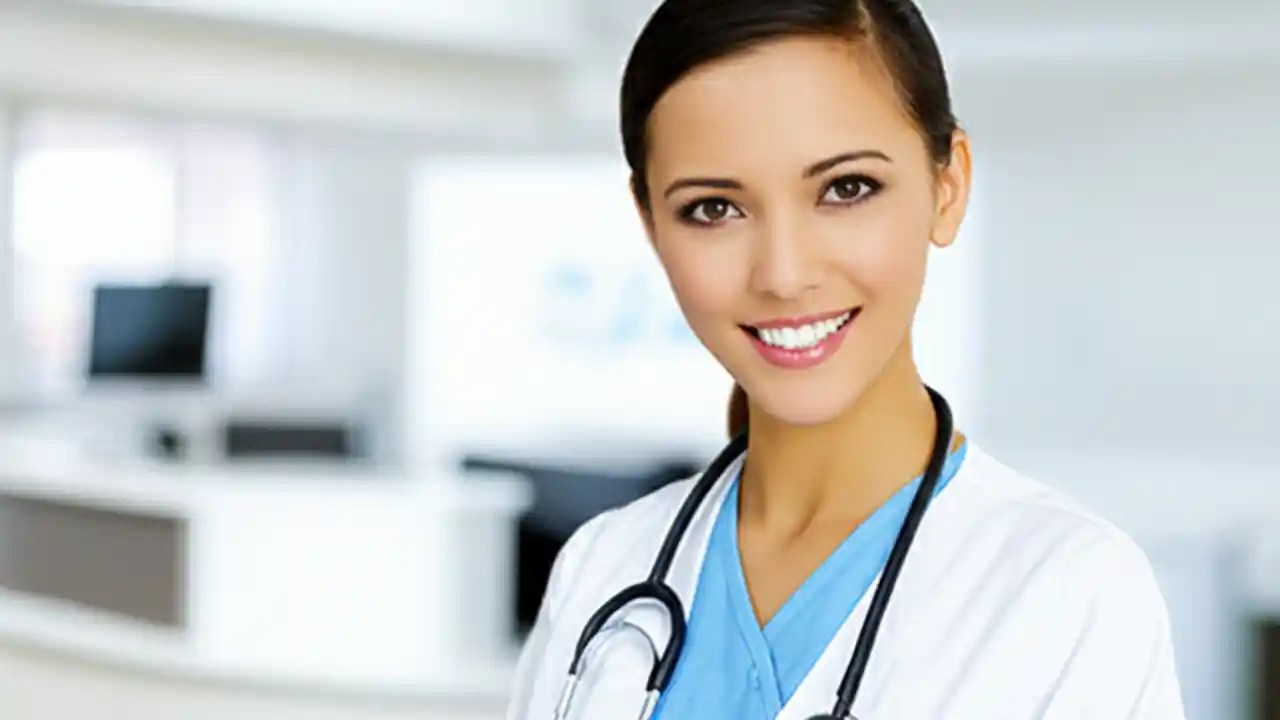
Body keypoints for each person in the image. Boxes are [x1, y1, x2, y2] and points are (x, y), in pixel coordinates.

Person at [507, 1, 1187, 718]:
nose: (784, 273)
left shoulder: (1069, 593)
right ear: (650, 224)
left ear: (947, 186)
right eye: (714, 208)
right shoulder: (601, 571)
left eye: (846, 189)